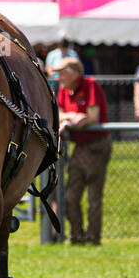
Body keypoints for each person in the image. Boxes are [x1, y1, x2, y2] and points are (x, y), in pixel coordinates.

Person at [56, 58, 111, 245]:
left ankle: (93, 238)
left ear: (75, 73)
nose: (59, 77)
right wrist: (73, 116)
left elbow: (93, 117)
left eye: (63, 73)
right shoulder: (64, 90)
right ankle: (77, 236)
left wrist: (78, 118)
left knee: (93, 196)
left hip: (97, 145)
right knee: (71, 196)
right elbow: (59, 113)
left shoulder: (90, 85)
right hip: (79, 147)